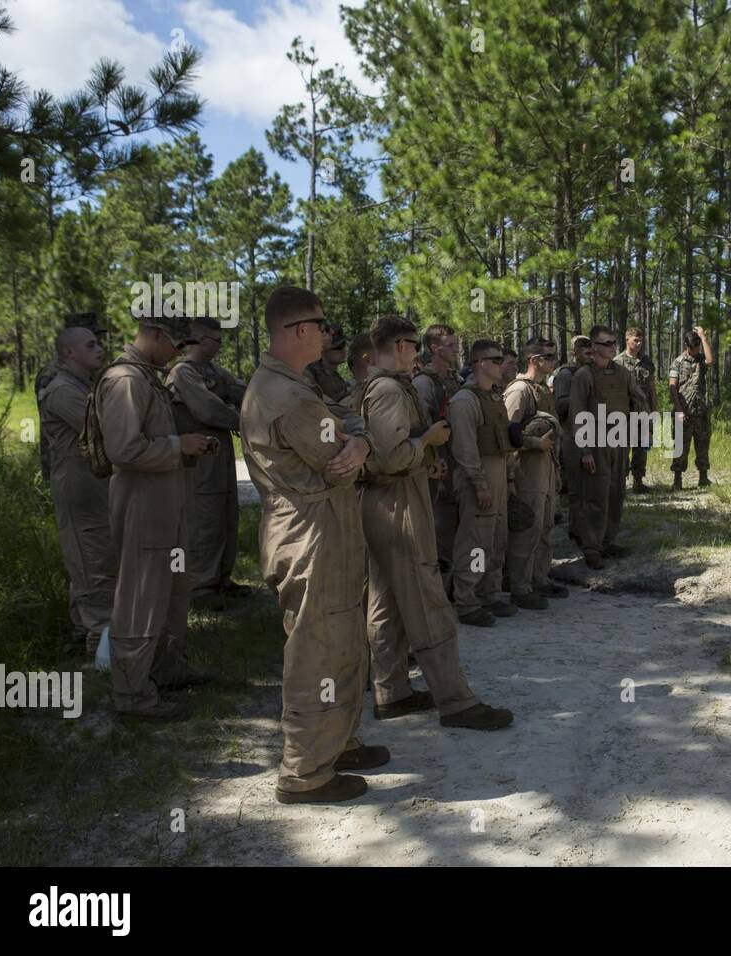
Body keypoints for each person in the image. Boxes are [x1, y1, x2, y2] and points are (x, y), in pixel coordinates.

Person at [241, 286, 385, 804]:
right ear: (300, 330)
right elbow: (336, 458)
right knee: (315, 649)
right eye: (322, 326)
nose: (328, 335)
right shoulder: (283, 395)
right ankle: (304, 773)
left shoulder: (296, 386)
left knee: (343, 639)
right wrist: (358, 444)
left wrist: (361, 438)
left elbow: (347, 428)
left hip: (327, 529)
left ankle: (335, 743)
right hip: (308, 534)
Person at [357, 315, 514, 729]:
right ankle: (456, 701)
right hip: (399, 504)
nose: (418, 354)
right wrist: (427, 442)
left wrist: (423, 459)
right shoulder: (390, 389)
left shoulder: (383, 387)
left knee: (386, 601)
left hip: (386, 501)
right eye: (414, 345)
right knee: (428, 600)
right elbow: (390, 458)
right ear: (403, 345)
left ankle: (392, 691)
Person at [94, 313, 212, 720]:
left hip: (166, 503)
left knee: (173, 589)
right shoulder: (126, 380)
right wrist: (180, 445)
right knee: (141, 597)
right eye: (176, 345)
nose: (179, 353)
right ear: (157, 335)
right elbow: (124, 450)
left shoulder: (147, 376)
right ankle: (131, 695)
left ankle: (164, 671)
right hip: (144, 506)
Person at [38, 326, 116, 657]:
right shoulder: (61, 391)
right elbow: (104, 428)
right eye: (90, 344)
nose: (99, 348)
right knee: (91, 559)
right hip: (78, 486)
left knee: (96, 555)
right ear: (69, 352)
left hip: (92, 484)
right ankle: (100, 642)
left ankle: (87, 631)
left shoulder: (81, 385)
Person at [166, 317, 247, 603]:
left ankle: (221, 578)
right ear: (199, 339)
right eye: (216, 339)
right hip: (199, 458)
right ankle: (200, 584)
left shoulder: (215, 371)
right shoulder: (182, 373)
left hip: (220, 452)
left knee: (226, 512)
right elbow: (208, 410)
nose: (220, 345)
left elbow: (242, 392)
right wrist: (245, 421)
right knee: (205, 519)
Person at [448, 339, 519, 625]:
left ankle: (489, 594)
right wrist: (479, 484)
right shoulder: (465, 401)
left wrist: (509, 477)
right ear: (478, 363)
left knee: (496, 537)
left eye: (502, 360)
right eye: (495, 360)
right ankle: (467, 601)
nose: (501, 365)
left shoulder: (494, 397)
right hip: (477, 476)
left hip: (499, 472)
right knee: (475, 542)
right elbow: (464, 449)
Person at [569, 325, 648, 569]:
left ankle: (607, 541)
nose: (612, 347)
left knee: (616, 493)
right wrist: (585, 451)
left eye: (614, 342)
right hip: (595, 442)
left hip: (619, 440)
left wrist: (637, 422)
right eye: (606, 343)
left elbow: (639, 399)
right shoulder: (584, 376)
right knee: (595, 495)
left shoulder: (623, 373)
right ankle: (591, 548)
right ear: (593, 347)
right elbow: (577, 412)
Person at [503, 338, 567, 608]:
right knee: (527, 529)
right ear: (534, 360)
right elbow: (507, 434)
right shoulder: (519, 390)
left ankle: (539, 578)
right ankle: (520, 587)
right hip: (527, 470)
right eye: (549, 357)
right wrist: (534, 444)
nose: (554, 361)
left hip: (546, 468)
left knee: (544, 526)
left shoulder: (542, 389)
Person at [413, 323, 461, 590]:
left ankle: (453, 590)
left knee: (453, 531)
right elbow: (423, 429)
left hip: (456, 464)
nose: (455, 349)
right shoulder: (424, 383)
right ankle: (436, 595)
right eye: (450, 345)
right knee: (438, 533)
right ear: (434, 348)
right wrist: (432, 462)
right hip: (438, 466)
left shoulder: (453, 379)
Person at [36, 311, 106, 481]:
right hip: (67, 458)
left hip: (86, 461)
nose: (99, 347)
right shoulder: (55, 377)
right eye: (90, 343)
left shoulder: (81, 371)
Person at [553, 335, 592, 546]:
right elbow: (560, 407)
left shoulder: (592, 372)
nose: (590, 353)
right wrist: (584, 399)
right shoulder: (566, 375)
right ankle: (576, 531)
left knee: (590, 488)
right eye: (585, 350)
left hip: (591, 436)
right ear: (575, 351)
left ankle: (586, 529)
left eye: (591, 349)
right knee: (577, 489)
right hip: (572, 436)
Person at [669, 327, 714, 491]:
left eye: (698, 347)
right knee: (680, 447)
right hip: (684, 412)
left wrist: (703, 337)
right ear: (687, 346)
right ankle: (677, 479)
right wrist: (679, 410)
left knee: (703, 446)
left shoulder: (701, 360)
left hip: (701, 411)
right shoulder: (678, 362)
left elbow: (710, 361)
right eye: (693, 348)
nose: (695, 350)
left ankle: (703, 478)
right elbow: (672, 387)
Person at [614, 328, 656, 493]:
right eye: (635, 340)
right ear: (627, 340)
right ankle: (621, 482)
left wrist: (654, 412)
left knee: (642, 448)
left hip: (643, 413)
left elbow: (652, 390)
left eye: (640, 341)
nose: (638, 344)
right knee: (623, 449)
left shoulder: (646, 362)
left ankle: (638, 481)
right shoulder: (618, 362)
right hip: (624, 414)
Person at [305, 323, 352, 402]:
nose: (343, 350)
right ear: (323, 351)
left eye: (344, 345)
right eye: (338, 347)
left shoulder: (335, 376)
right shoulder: (311, 372)